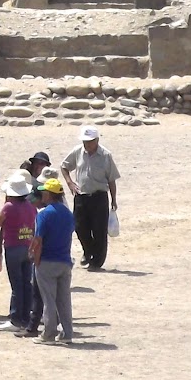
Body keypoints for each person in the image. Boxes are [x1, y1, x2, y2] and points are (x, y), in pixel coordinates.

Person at [60, 126, 120, 271]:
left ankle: (97, 262)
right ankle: (88, 251)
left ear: (97, 140)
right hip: (81, 196)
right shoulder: (77, 151)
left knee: (99, 230)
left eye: (90, 141)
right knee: (80, 227)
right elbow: (64, 166)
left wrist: (113, 199)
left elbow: (111, 179)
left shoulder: (105, 155)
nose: (87, 144)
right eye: (85, 141)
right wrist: (69, 182)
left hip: (99, 196)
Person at [31, 176, 76, 344]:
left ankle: (49, 333)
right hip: (64, 260)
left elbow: (38, 240)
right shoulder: (68, 214)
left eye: (44, 193)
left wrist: (36, 260)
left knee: (48, 299)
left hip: (47, 260)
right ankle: (67, 333)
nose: (42, 195)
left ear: (49, 195)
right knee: (64, 299)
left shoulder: (44, 214)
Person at [0, 172, 39, 333]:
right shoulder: (30, 206)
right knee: (26, 284)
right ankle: (26, 317)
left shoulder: (8, 207)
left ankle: (15, 318)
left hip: (13, 247)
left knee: (16, 285)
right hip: (27, 246)